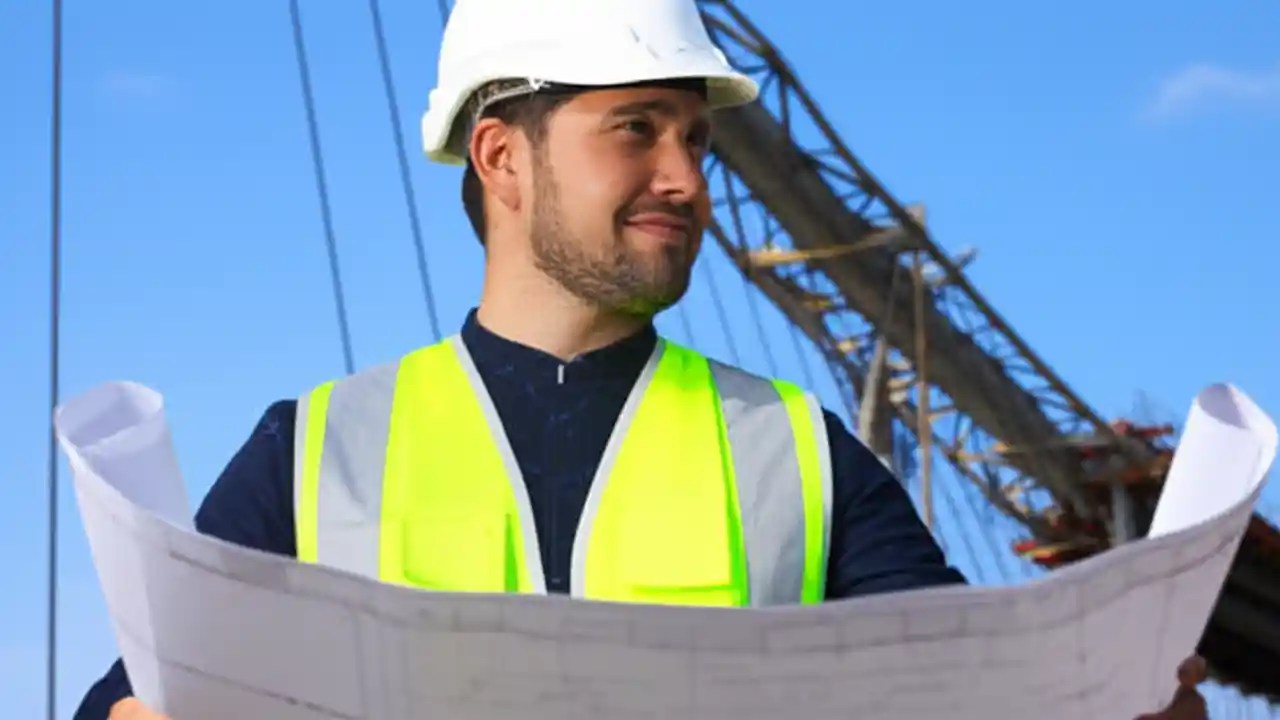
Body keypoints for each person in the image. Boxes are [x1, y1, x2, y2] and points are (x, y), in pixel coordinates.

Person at [76, 0, 1207, 717]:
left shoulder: (801, 460)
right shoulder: (313, 453)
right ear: (500, 157)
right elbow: (128, 703)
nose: (687, 179)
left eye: (697, 139)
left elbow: (982, 700)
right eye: (636, 128)